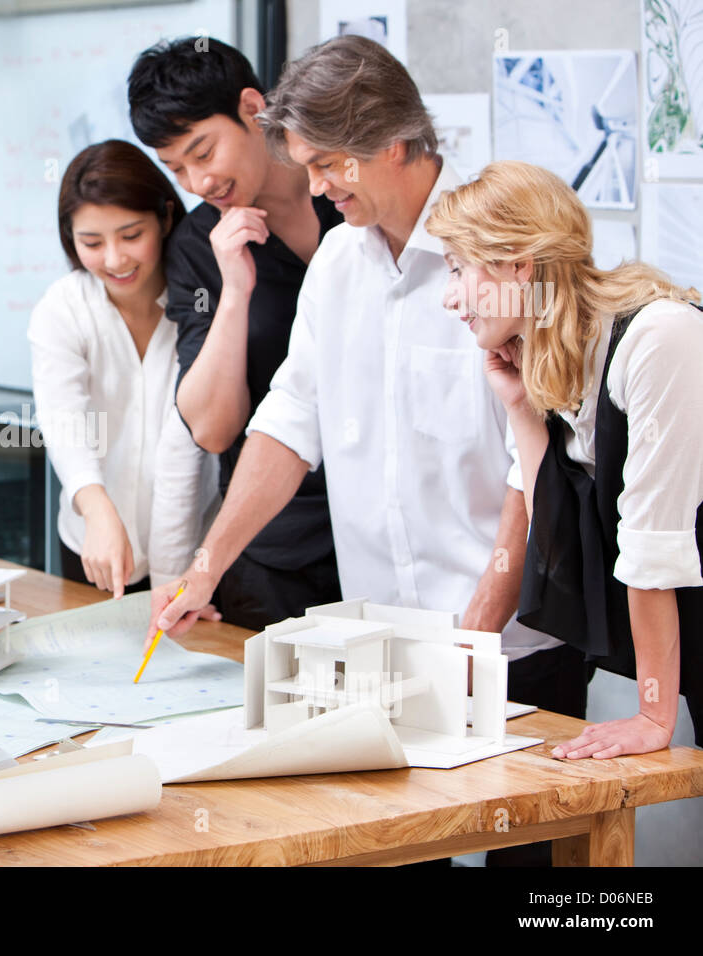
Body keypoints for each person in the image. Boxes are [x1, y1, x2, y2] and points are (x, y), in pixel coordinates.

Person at [151, 36, 585, 746]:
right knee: (400, 854)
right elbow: (289, 425)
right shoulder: (338, 262)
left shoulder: (504, 243)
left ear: (390, 141)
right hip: (385, 650)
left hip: (516, 649)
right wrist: (205, 567)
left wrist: (476, 636)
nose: (316, 187)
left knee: (534, 849)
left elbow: (533, 468)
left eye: (326, 164)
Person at [427, 160, 703, 756]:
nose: (449, 299)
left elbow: (652, 546)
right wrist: (521, 410)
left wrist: (654, 717)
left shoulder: (658, 338)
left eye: (457, 269)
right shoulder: (547, 357)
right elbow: (553, 531)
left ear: (517, 263)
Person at [127, 38, 343, 629]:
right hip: (275, 549)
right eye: (176, 168)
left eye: (204, 151)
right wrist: (236, 289)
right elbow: (215, 430)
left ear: (253, 107)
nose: (198, 181)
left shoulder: (350, 198)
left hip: (380, 529)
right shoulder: (200, 247)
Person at [29, 140, 219, 598]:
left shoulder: (202, 299)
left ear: (166, 217)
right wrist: (97, 511)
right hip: (92, 546)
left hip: (199, 551)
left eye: (132, 235)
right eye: (92, 242)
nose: (114, 259)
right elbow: (64, 421)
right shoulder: (64, 308)